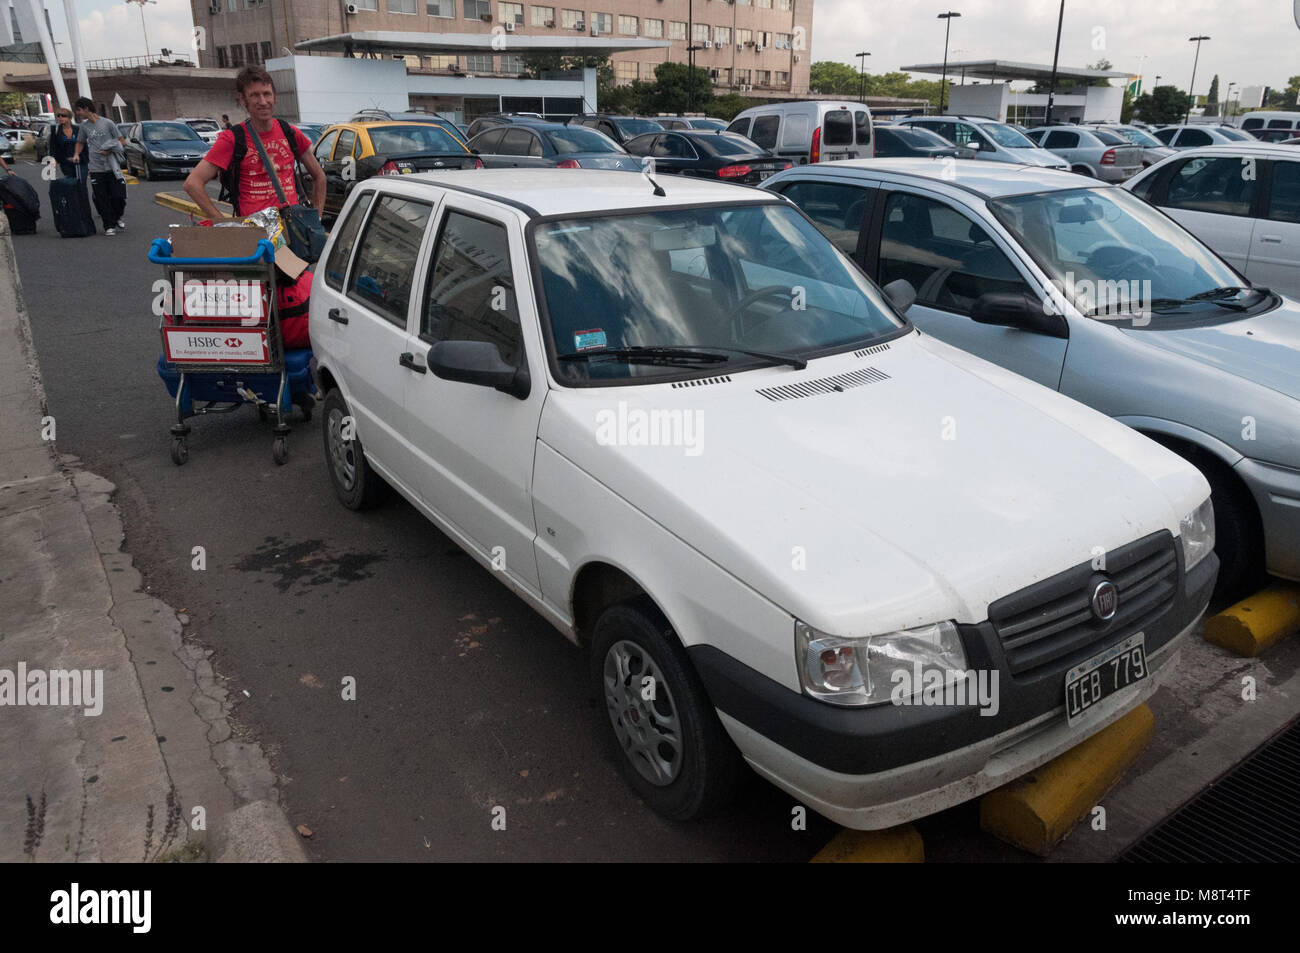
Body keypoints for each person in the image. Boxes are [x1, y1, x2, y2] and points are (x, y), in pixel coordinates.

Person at [184, 66, 325, 221]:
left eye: (267, 94)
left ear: (275, 97)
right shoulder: (232, 139)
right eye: (255, 95)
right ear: (243, 99)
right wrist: (224, 224)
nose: (263, 102)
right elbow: (192, 184)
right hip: (255, 235)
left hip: (292, 229)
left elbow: (319, 176)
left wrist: (316, 220)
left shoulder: (289, 133)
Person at [71, 97, 126, 235]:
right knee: (101, 197)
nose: (77, 113)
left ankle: (117, 215)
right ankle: (109, 226)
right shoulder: (84, 127)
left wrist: (109, 150)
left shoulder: (108, 123)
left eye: (79, 110)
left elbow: (122, 142)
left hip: (112, 166)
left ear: (86, 109)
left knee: (119, 196)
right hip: (95, 167)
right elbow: (80, 142)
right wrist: (76, 154)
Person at [50, 108, 88, 180]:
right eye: (58, 116)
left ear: (70, 117)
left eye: (63, 115)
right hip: (65, 162)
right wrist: (53, 159)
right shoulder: (55, 130)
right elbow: (53, 146)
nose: (60, 117)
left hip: (80, 161)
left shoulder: (78, 129)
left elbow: (84, 144)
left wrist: (87, 160)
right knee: (71, 183)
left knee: (82, 183)